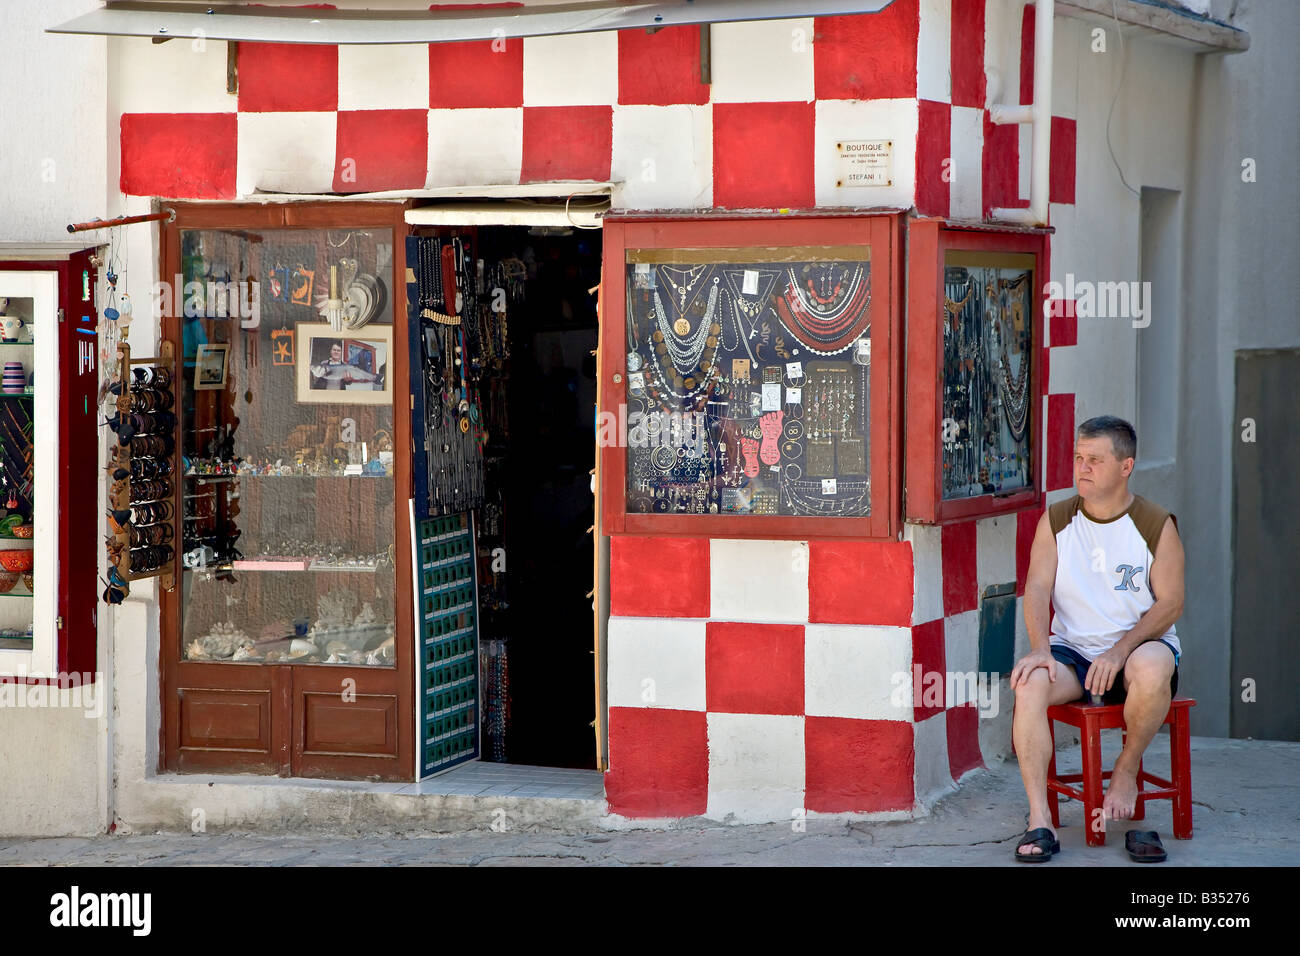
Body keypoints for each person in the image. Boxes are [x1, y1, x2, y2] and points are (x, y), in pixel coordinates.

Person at [1009, 415, 1185, 862]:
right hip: (1073, 653)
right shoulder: (1057, 520)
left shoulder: (1155, 523)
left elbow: (1171, 604)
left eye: (1095, 460)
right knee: (1028, 683)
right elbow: (1036, 588)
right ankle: (1039, 820)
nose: (1082, 468)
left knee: (1150, 667)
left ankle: (1125, 773)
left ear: (1126, 466)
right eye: (1078, 458)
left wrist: (1120, 650)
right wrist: (1040, 648)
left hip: (1136, 649)